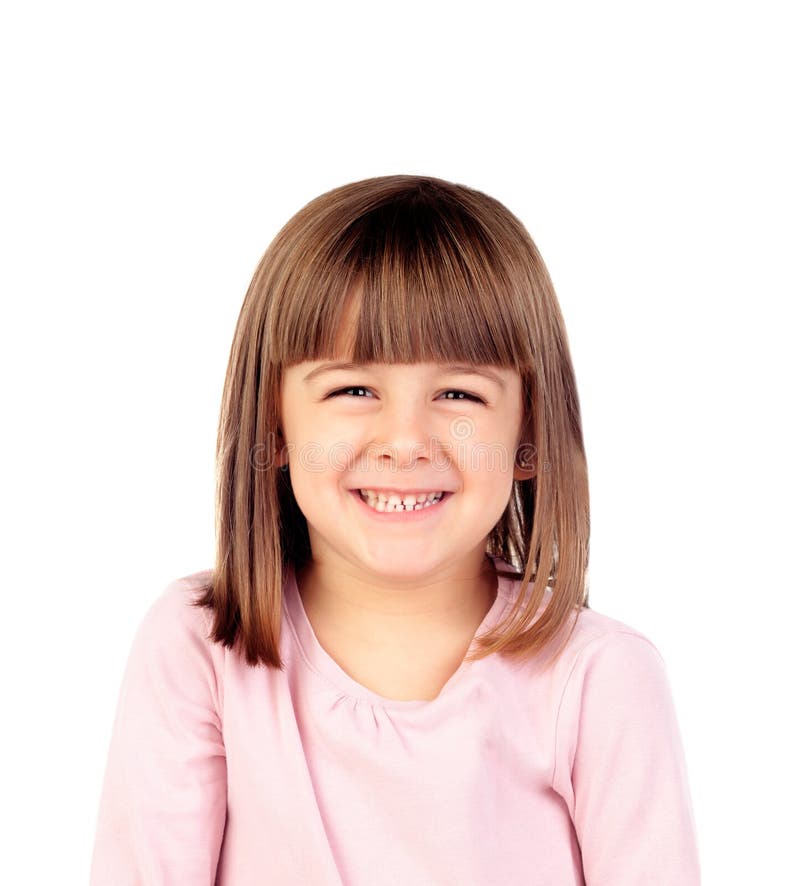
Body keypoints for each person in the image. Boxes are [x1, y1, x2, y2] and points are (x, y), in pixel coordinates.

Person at [89, 174, 701, 885]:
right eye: (353, 389)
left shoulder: (601, 680)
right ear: (275, 423)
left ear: (528, 429)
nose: (404, 440)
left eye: (458, 393)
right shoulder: (201, 646)